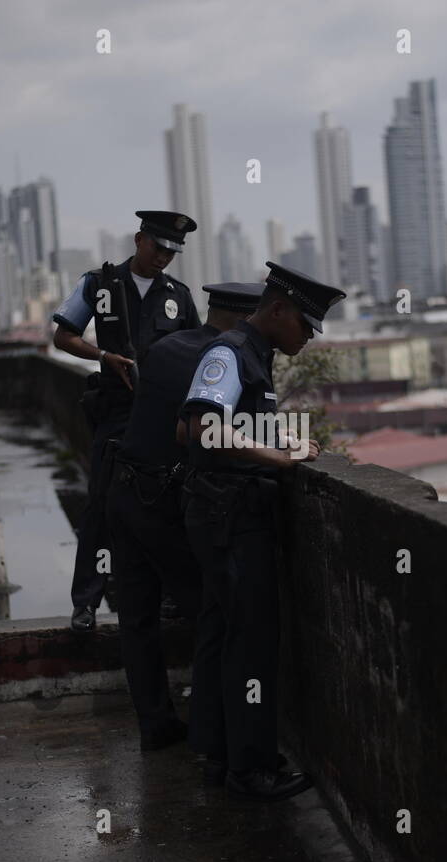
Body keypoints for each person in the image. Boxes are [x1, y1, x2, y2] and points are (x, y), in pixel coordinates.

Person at [177, 262, 345, 801]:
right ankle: (250, 769)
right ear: (277, 310)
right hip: (228, 518)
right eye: (304, 323)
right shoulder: (228, 353)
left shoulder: (254, 355)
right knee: (249, 644)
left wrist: (289, 440)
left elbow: (226, 423)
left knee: (225, 636)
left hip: (229, 514)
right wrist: (279, 456)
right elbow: (201, 428)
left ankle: (219, 755)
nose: (308, 335)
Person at [106, 283, 263, 751]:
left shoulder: (164, 347)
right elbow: (210, 436)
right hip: (163, 502)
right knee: (211, 615)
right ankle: (213, 734)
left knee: (137, 619)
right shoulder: (221, 359)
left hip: (124, 491)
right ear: (243, 320)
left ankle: (156, 725)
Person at [50, 211, 200, 633]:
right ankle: (86, 604)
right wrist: (103, 357)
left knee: (168, 504)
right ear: (139, 240)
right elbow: (62, 336)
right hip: (116, 411)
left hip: (163, 415)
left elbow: (197, 349)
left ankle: (171, 595)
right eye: (158, 248)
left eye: (172, 252)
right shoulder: (99, 284)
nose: (164, 258)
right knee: (101, 505)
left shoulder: (179, 296)